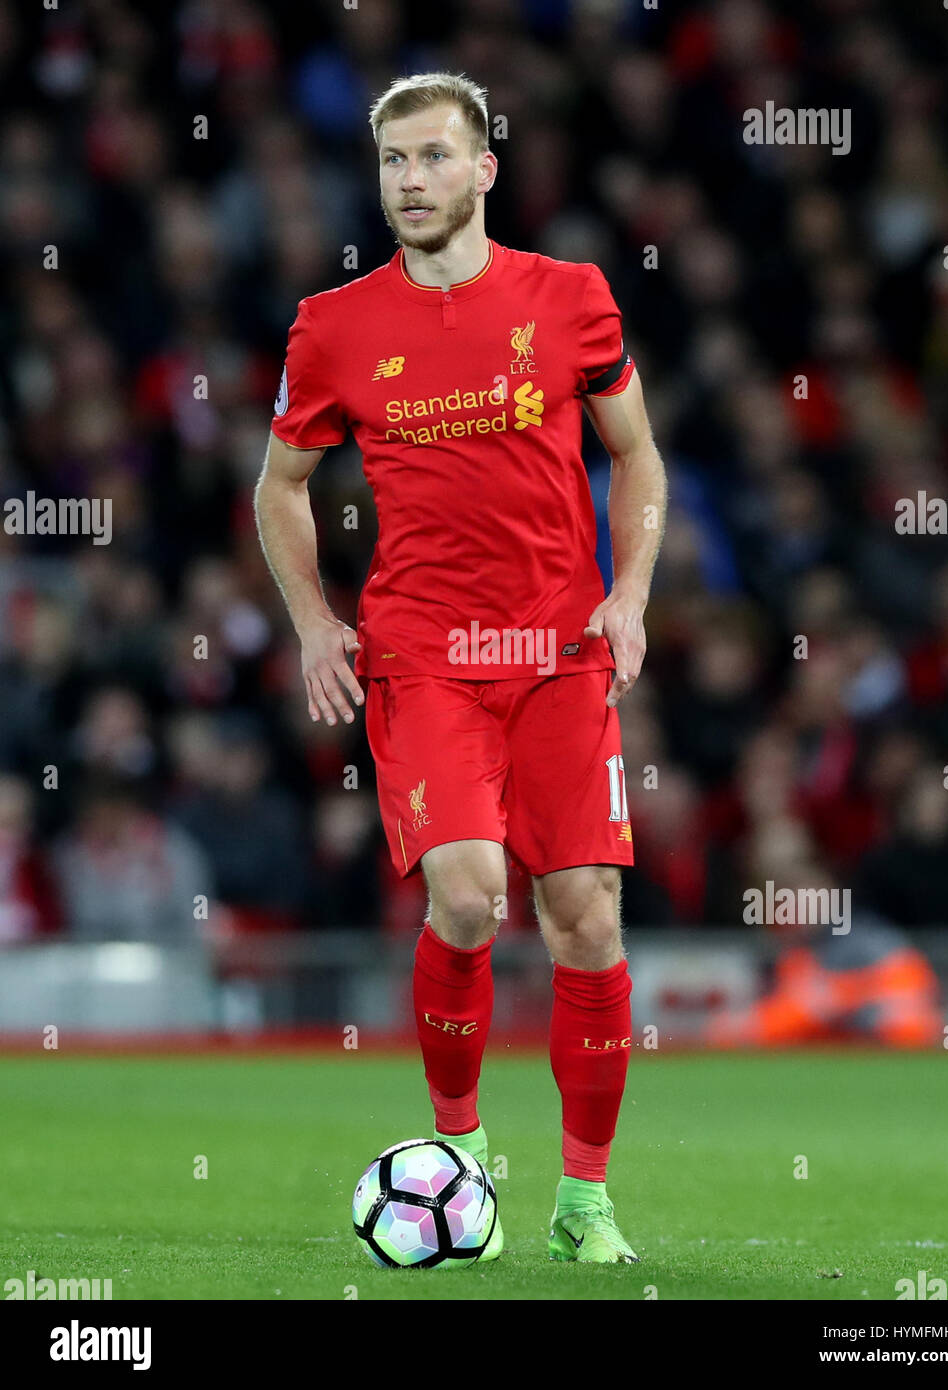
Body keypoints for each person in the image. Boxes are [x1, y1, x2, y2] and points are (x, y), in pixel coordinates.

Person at [255, 72, 667, 1263]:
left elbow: (635, 458)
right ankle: (460, 1150)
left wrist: (629, 592)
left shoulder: (571, 299)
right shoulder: (333, 325)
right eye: (392, 162)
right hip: (426, 655)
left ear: (485, 168)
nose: (410, 182)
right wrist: (312, 620)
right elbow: (277, 486)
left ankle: (584, 1198)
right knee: (470, 893)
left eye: (433, 158)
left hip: (558, 653)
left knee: (584, 916)